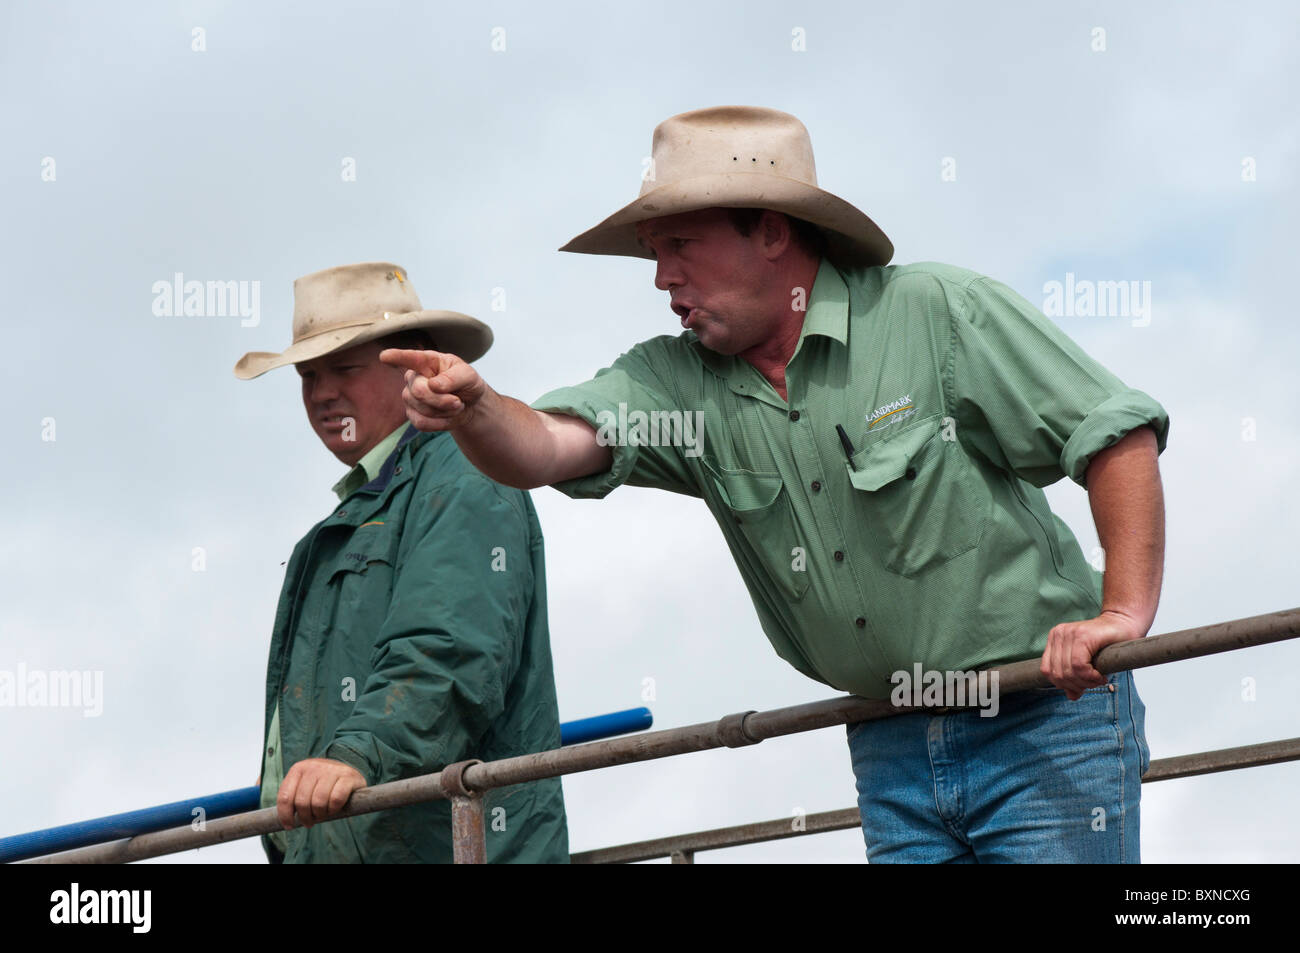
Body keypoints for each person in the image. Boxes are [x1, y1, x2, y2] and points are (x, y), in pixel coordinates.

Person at [382, 106, 1166, 863]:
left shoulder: (933, 312)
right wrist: (477, 409)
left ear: (772, 230)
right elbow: (548, 445)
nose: (661, 277)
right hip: (888, 735)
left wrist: (1123, 614)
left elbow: (1111, 430)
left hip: (1042, 714)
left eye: (680, 243)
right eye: (654, 252)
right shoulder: (675, 381)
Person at [234, 261, 568, 863]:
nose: (322, 392)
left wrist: (354, 756)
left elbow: (451, 649)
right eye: (308, 375)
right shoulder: (346, 522)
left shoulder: (465, 470)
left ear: (413, 366)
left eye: (344, 368)